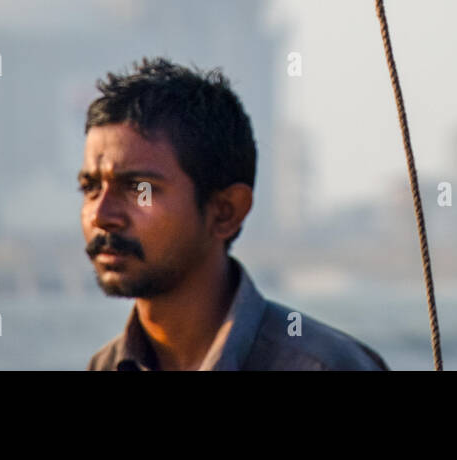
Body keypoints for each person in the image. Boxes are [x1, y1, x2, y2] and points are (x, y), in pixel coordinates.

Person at [80, 57, 388, 370]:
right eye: (90, 188)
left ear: (225, 212)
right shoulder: (104, 366)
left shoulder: (322, 365)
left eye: (138, 189)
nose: (101, 215)